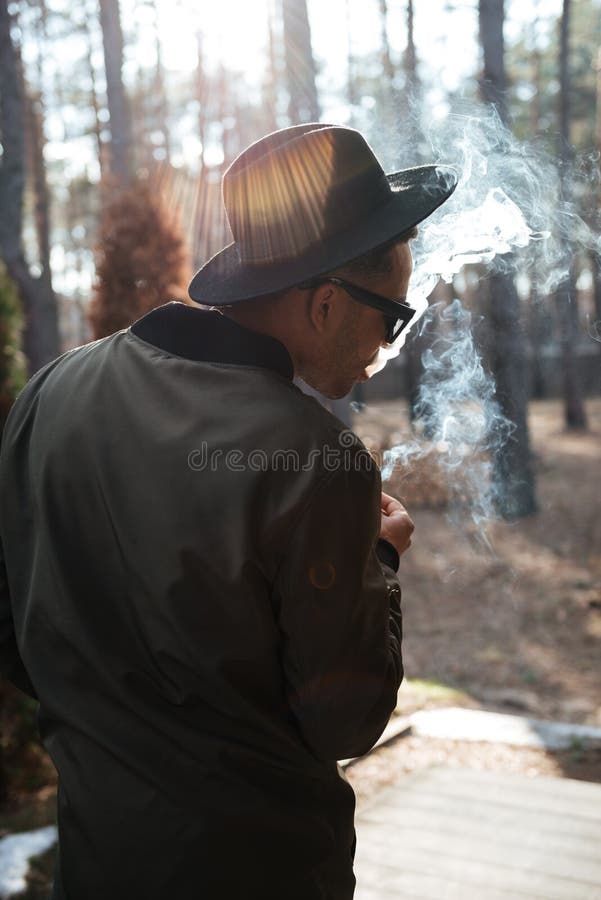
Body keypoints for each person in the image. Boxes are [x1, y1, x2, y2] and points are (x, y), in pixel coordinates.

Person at [0, 123, 456, 899]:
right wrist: (376, 558)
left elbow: (15, 637)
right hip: (259, 869)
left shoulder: (52, 391)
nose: (384, 350)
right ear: (324, 304)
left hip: (99, 860)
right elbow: (345, 719)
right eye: (391, 319)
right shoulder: (317, 457)